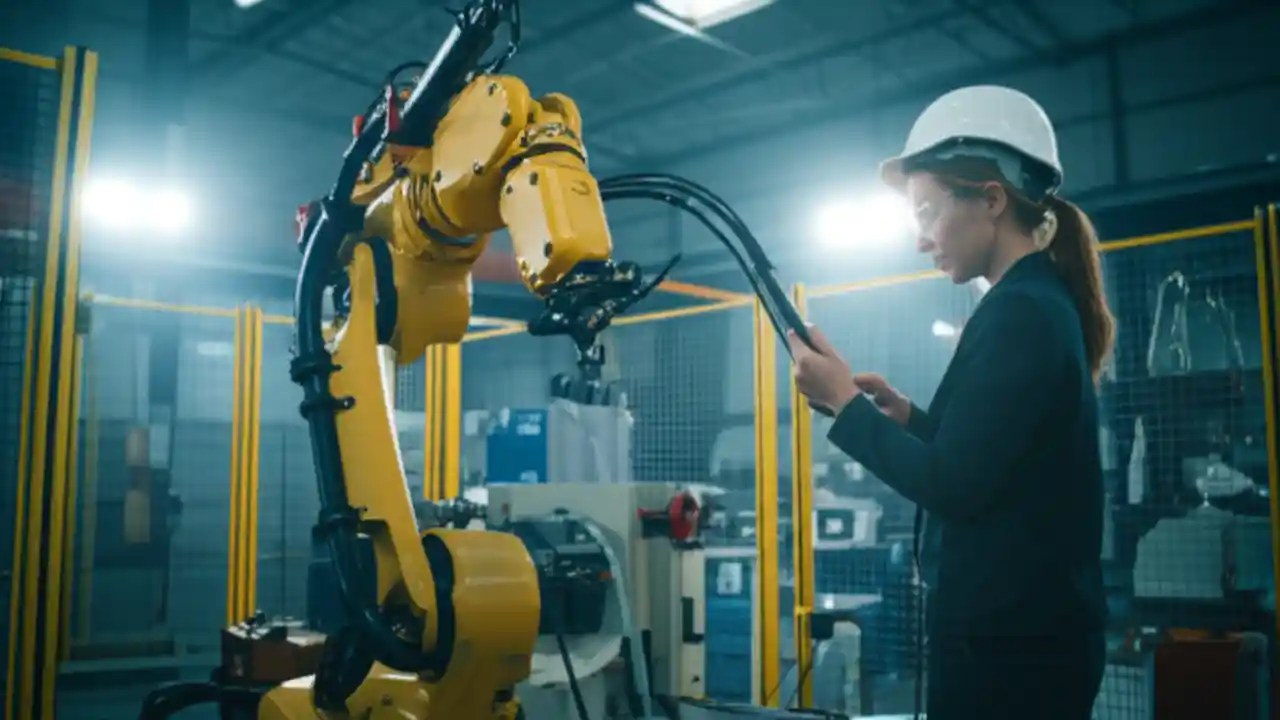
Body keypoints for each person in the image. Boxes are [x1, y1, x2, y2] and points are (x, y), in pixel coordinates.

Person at [789, 85, 1111, 719]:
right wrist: (908, 418)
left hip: (1012, 655)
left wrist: (846, 409)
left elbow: (954, 485)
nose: (920, 239)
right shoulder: (1028, 303)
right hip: (1022, 640)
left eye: (928, 211)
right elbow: (993, 462)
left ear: (991, 200)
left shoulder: (1021, 314)